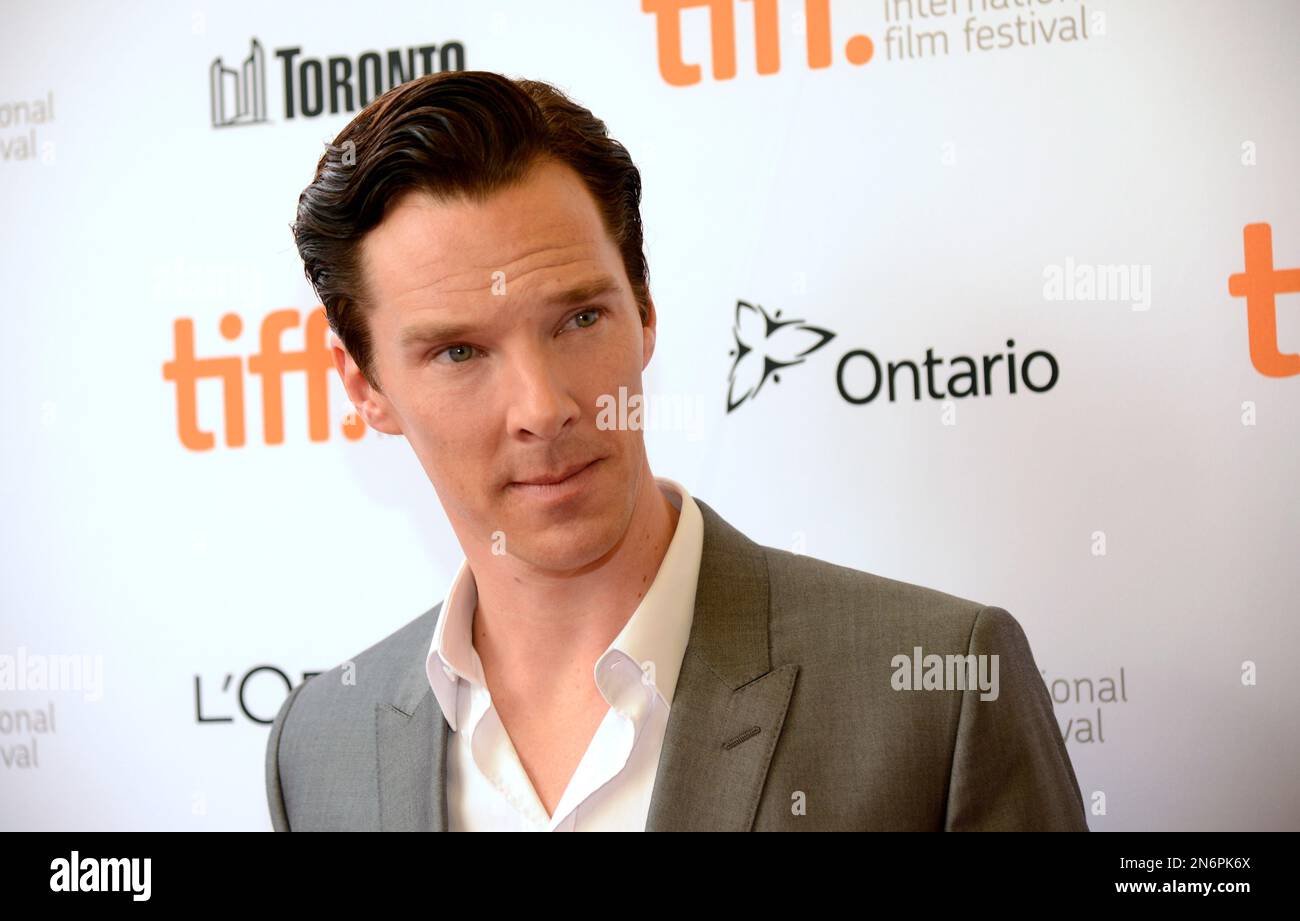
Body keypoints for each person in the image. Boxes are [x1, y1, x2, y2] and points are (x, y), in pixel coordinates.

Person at [266, 70, 1088, 831]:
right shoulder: (318, 749)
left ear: (646, 310)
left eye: (580, 318)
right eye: (458, 353)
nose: (545, 408)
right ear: (364, 384)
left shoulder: (936, 689)